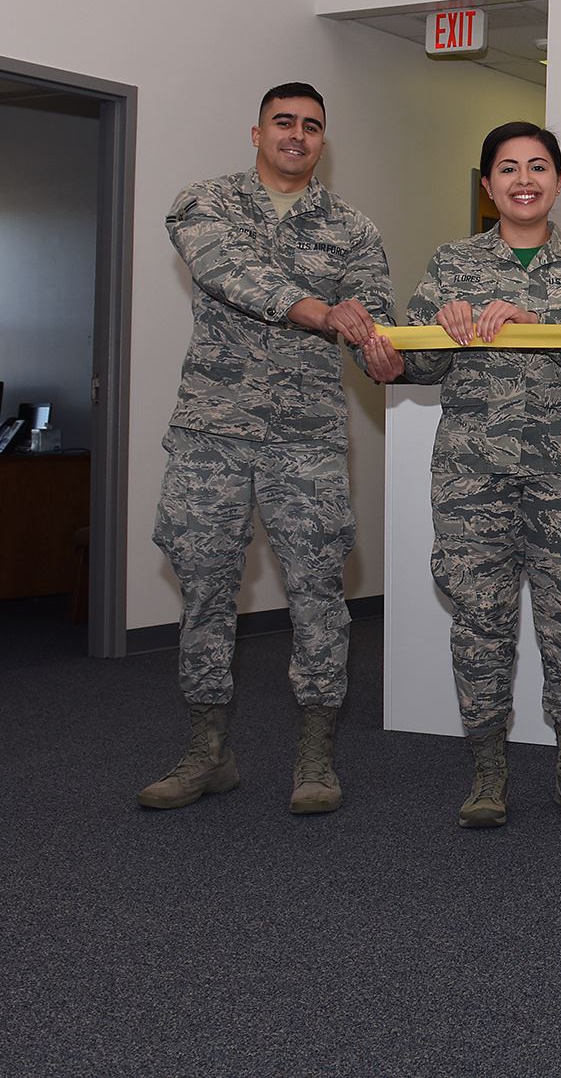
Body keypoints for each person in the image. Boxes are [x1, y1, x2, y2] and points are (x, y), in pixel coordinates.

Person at [140, 83, 394, 815]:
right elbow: (227, 271)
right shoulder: (206, 201)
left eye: (312, 126)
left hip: (306, 439)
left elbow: (369, 318)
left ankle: (314, 755)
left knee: (319, 594)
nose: (297, 135)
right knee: (204, 591)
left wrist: (381, 354)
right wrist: (319, 311)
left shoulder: (352, 229)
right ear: (255, 132)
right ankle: (204, 752)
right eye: (284, 122)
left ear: (323, 141)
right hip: (210, 434)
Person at [366, 122, 561, 827]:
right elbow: (413, 363)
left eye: (538, 166)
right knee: (479, 618)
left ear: (559, 180)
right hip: (472, 474)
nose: (523, 179)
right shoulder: (452, 263)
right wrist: (440, 328)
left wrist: (531, 316)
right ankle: (487, 772)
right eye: (507, 168)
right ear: (487, 186)